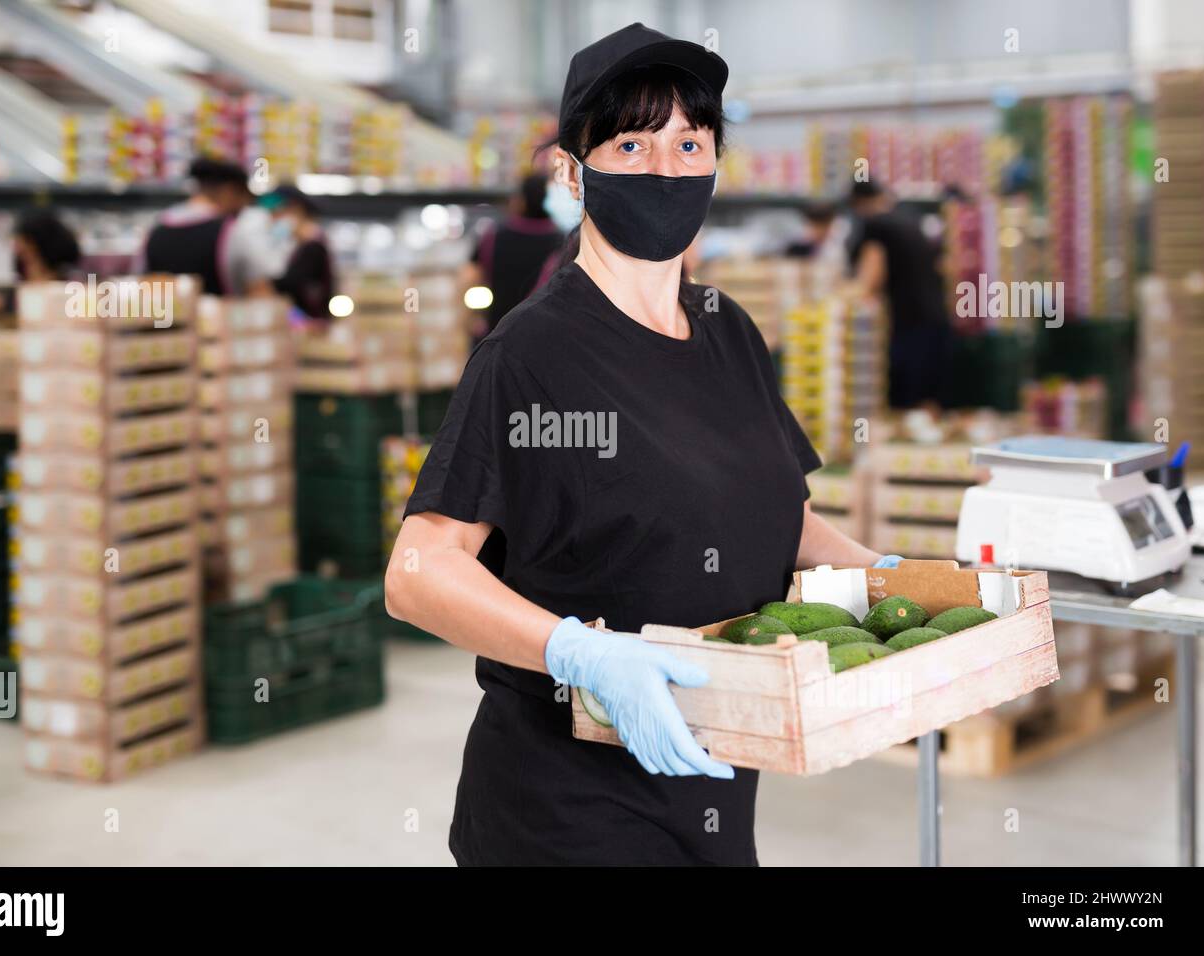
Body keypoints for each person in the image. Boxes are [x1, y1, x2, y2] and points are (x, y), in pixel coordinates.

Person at [385, 22, 900, 867]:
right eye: (631, 143)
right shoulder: (530, 355)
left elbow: (785, 523)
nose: (666, 168)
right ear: (571, 173)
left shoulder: (727, 329)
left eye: (690, 142)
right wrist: (579, 653)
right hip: (564, 809)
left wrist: (893, 583)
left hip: (713, 781)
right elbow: (417, 574)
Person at [848, 179, 953, 409]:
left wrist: (844, 297)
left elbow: (870, 277)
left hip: (909, 322)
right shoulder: (912, 219)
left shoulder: (876, 226)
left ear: (859, 204)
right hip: (936, 318)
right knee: (927, 405)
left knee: (906, 403)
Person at [140, 156, 274, 297]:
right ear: (230, 191)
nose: (242, 208)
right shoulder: (232, 232)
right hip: (223, 317)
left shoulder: (156, 229)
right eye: (244, 200)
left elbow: (141, 284)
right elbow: (261, 292)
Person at [464, 172, 563, 338]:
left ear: (521, 200)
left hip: (496, 331)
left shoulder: (494, 236)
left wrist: (471, 318)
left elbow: (469, 277)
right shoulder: (563, 241)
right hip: (543, 334)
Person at [263, 185, 334, 319]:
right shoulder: (301, 244)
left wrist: (265, 283)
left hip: (310, 323)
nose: (273, 220)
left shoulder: (313, 246)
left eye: (276, 213)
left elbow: (293, 285)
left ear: (296, 209)